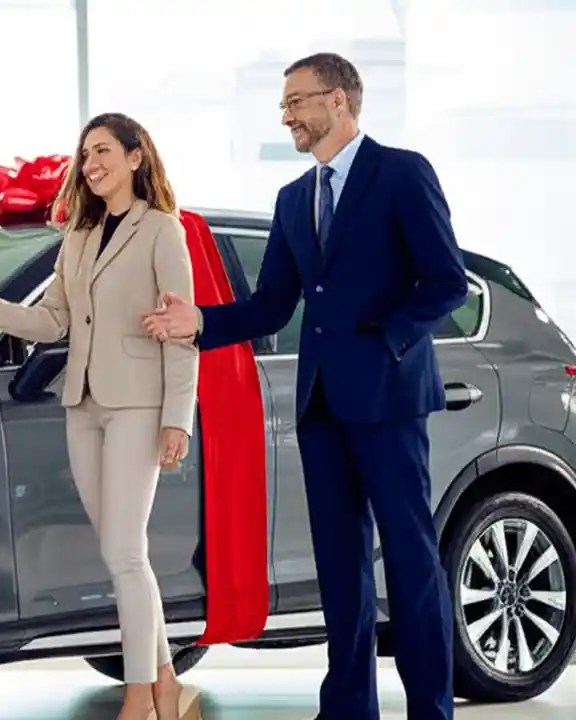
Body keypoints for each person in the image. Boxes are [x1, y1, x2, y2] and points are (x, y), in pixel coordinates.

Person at [144, 52, 466, 720]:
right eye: (284, 104)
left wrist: (388, 341)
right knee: (341, 570)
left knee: (410, 565)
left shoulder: (402, 174)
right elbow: (272, 306)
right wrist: (198, 320)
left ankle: (430, 710)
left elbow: (446, 282)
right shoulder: (293, 199)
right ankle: (348, 708)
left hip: (389, 400)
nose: (287, 114)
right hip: (321, 407)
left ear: (339, 101)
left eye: (297, 101)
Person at [0, 112, 201, 720]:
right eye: (85, 154)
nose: (91, 164)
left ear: (135, 156)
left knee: (124, 550)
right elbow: (52, 322)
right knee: (121, 549)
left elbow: (181, 330)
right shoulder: (80, 237)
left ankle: (139, 696)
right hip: (83, 404)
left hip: (139, 405)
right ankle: (167, 682)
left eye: (103, 152)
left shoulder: (161, 230)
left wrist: (178, 416)